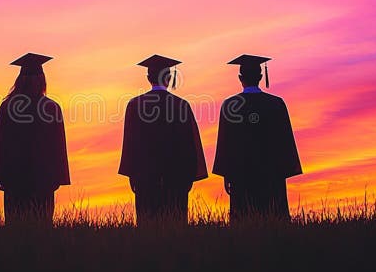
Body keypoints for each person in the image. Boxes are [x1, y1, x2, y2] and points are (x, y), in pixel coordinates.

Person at [118, 54, 207, 226]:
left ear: (148, 77)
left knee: (147, 228)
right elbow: (189, 145)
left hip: (145, 178)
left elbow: (130, 145)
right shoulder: (181, 105)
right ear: (168, 77)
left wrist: (132, 174)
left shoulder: (135, 105)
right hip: (176, 178)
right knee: (176, 229)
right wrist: (189, 176)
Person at [212, 54, 301, 221]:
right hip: (271, 174)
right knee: (274, 220)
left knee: (244, 221)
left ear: (240, 78)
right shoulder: (276, 104)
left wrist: (227, 173)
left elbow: (225, 144)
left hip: (241, 174)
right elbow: (285, 142)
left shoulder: (231, 106)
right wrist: (284, 170)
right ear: (261, 76)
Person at [0, 53, 70, 226]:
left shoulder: (8, 107)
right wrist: (58, 177)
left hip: (14, 177)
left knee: (15, 227)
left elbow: (0, 144)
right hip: (44, 178)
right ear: (42, 80)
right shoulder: (50, 107)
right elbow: (59, 146)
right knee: (42, 227)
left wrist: (0, 175)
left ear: (20, 79)